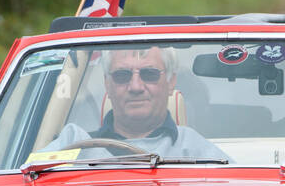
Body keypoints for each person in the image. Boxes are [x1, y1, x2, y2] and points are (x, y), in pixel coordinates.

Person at [36, 46, 230, 161]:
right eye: (122, 75)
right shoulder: (74, 142)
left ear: (170, 82)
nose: (136, 86)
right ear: (107, 84)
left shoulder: (193, 149)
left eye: (149, 74)